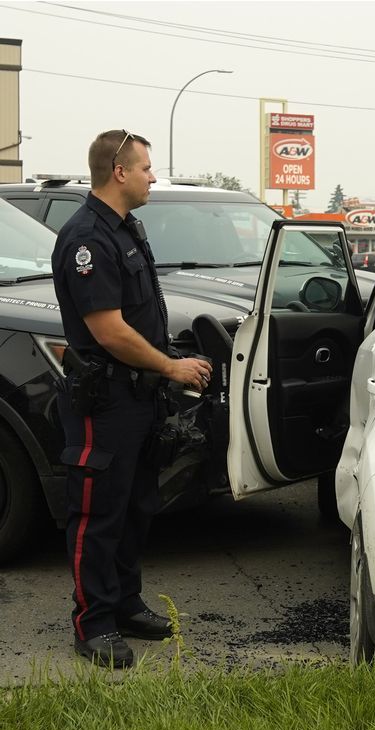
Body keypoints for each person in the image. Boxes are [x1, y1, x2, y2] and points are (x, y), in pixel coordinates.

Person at [51, 129, 213, 668]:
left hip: (140, 398)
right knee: (97, 514)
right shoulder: (86, 239)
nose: (153, 176)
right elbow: (109, 330)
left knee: (135, 507)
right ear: (119, 172)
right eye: (146, 168)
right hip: (107, 402)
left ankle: (123, 603)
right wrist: (172, 367)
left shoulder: (125, 228)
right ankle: (92, 623)